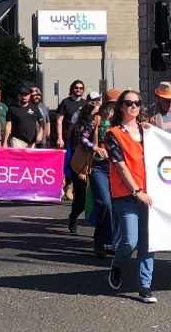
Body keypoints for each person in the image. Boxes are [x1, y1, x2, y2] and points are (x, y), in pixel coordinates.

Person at [104, 89, 157, 304]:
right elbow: (121, 166)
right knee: (130, 241)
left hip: (150, 194)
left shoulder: (148, 132)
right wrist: (137, 191)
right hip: (127, 195)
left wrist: (154, 133)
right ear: (121, 107)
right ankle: (117, 266)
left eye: (137, 103)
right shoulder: (113, 134)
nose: (133, 106)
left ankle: (145, 286)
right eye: (128, 103)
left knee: (148, 243)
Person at [79, 89, 118, 258]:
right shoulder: (97, 119)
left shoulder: (122, 122)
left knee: (117, 207)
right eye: (114, 104)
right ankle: (100, 242)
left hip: (117, 168)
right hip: (98, 168)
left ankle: (111, 242)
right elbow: (83, 138)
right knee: (105, 204)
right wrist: (94, 148)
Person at [65, 90, 102, 233]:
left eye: (98, 101)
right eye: (93, 101)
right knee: (81, 198)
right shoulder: (79, 117)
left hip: (97, 163)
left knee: (99, 198)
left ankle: (101, 231)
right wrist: (81, 168)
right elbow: (76, 142)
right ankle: (73, 217)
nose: (96, 104)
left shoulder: (103, 118)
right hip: (80, 161)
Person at [54, 80, 87, 149]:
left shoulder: (85, 103)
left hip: (81, 138)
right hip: (68, 138)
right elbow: (59, 121)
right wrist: (60, 138)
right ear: (72, 88)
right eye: (76, 88)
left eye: (81, 88)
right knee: (68, 159)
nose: (78, 90)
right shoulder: (65, 102)